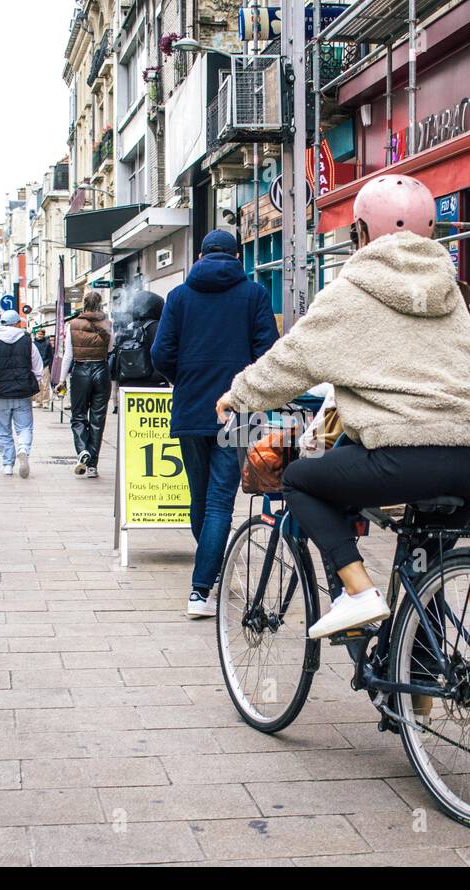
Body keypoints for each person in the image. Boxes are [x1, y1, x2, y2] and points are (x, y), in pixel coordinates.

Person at [216, 175, 470, 639]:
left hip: (402, 458)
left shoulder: (354, 290)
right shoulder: (452, 295)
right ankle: (411, 699)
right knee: (424, 579)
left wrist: (237, 396)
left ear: (361, 233)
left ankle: (359, 591)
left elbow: (293, 360)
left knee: (302, 479)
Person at [152, 229, 278, 618]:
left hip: (190, 410)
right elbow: (268, 353)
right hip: (237, 410)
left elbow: (160, 354)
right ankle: (201, 589)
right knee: (221, 501)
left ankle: (209, 569)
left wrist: (184, 380)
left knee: (201, 498)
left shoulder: (179, 297)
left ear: (201, 256)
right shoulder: (254, 294)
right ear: (238, 256)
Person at [0, 309, 43, 477]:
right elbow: (38, 367)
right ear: (17, 323)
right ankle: (23, 448)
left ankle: (7, 464)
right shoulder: (28, 342)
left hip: (0, 394)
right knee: (25, 427)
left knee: (3, 430)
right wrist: (36, 384)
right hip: (23, 393)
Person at [57, 291, 112, 478]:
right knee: (98, 419)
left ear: (84, 304)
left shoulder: (72, 325)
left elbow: (68, 355)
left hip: (81, 371)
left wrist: (61, 379)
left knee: (78, 415)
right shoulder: (108, 324)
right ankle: (92, 466)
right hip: (101, 370)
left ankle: (82, 451)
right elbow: (111, 349)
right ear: (100, 304)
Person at [33, 328, 54, 406]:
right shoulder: (33, 343)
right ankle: (38, 401)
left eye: (41, 334)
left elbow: (50, 356)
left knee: (45, 384)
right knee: (37, 384)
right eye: (38, 334)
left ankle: (45, 402)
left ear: (44, 335)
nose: (39, 336)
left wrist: (50, 366)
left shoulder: (47, 344)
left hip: (45, 365)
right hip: (35, 366)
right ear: (36, 334)